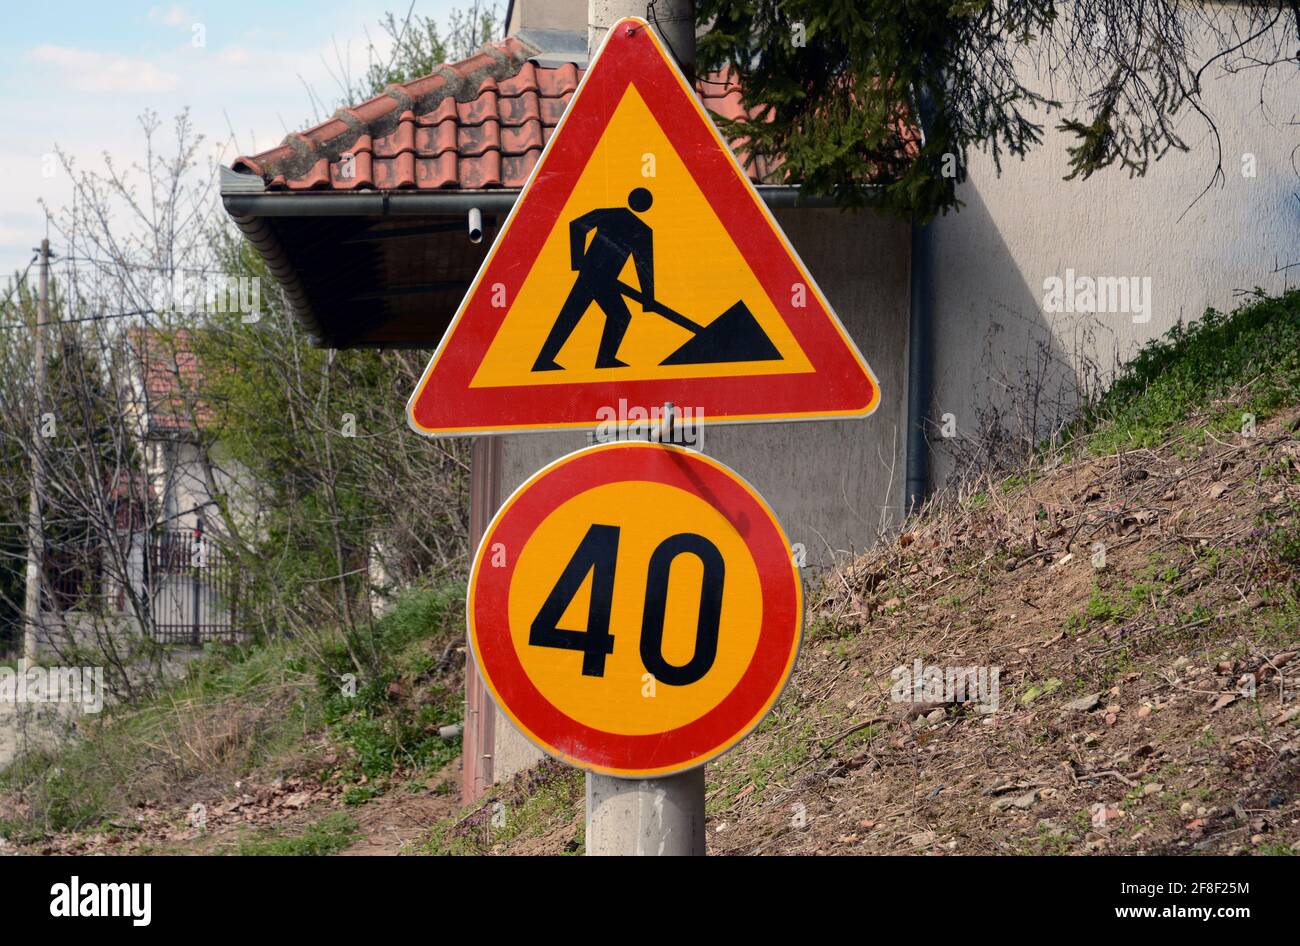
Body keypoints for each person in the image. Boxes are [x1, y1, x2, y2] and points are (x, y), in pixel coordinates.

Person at [533, 187, 655, 371]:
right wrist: (648, 299)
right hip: (593, 275)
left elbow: (644, 268)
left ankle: (602, 361)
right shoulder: (640, 229)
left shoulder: (620, 218)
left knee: (579, 315)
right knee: (586, 315)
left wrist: (579, 263)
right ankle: (602, 361)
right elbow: (645, 269)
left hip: (600, 278)